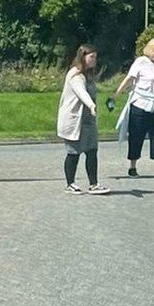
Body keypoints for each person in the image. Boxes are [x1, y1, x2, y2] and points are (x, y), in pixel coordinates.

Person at [111, 37, 154, 180]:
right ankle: (132, 167)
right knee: (136, 135)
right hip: (141, 104)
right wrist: (116, 95)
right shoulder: (141, 62)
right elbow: (129, 79)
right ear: (151, 50)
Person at [57, 44, 108, 195]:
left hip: (88, 120)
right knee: (73, 152)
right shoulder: (75, 74)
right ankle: (70, 184)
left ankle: (94, 184)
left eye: (95, 57)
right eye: (92, 57)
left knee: (92, 151)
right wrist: (91, 105)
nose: (94, 60)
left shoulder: (89, 75)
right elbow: (81, 92)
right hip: (74, 120)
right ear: (83, 56)